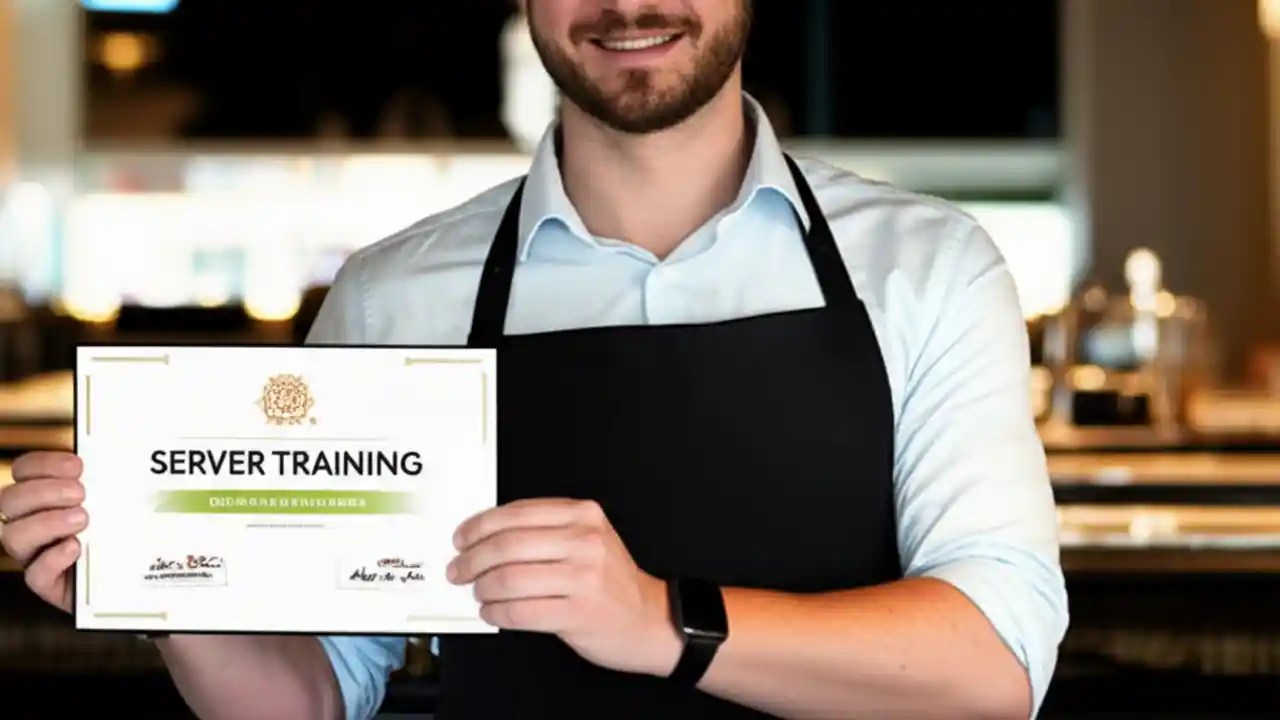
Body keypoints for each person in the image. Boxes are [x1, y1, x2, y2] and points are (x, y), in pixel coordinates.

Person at [0, 0, 1068, 717]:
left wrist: (656, 620)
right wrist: (171, 588)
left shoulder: (927, 269)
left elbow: (995, 661)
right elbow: (316, 694)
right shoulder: (393, 298)